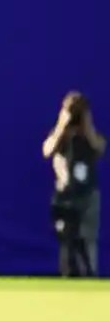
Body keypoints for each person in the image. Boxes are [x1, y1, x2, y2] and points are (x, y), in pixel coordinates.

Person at [42, 92, 105, 277]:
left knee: (87, 239)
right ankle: (68, 276)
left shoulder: (90, 136)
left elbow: (99, 147)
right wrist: (62, 125)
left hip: (87, 196)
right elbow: (47, 150)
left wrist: (87, 126)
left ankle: (89, 276)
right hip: (65, 197)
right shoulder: (60, 136)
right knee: (67, 241)